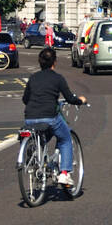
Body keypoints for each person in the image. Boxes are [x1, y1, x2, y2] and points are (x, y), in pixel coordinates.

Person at [21, 47, 86, 187]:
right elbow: (69, 98)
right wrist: (80, 100)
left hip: (30, 117)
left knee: (42, 134)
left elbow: (25, 99)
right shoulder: (57, 78)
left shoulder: (33, 78)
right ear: (54, 62)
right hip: (49, 116)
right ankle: (64, 174)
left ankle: (36, 158)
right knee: (65, 138)